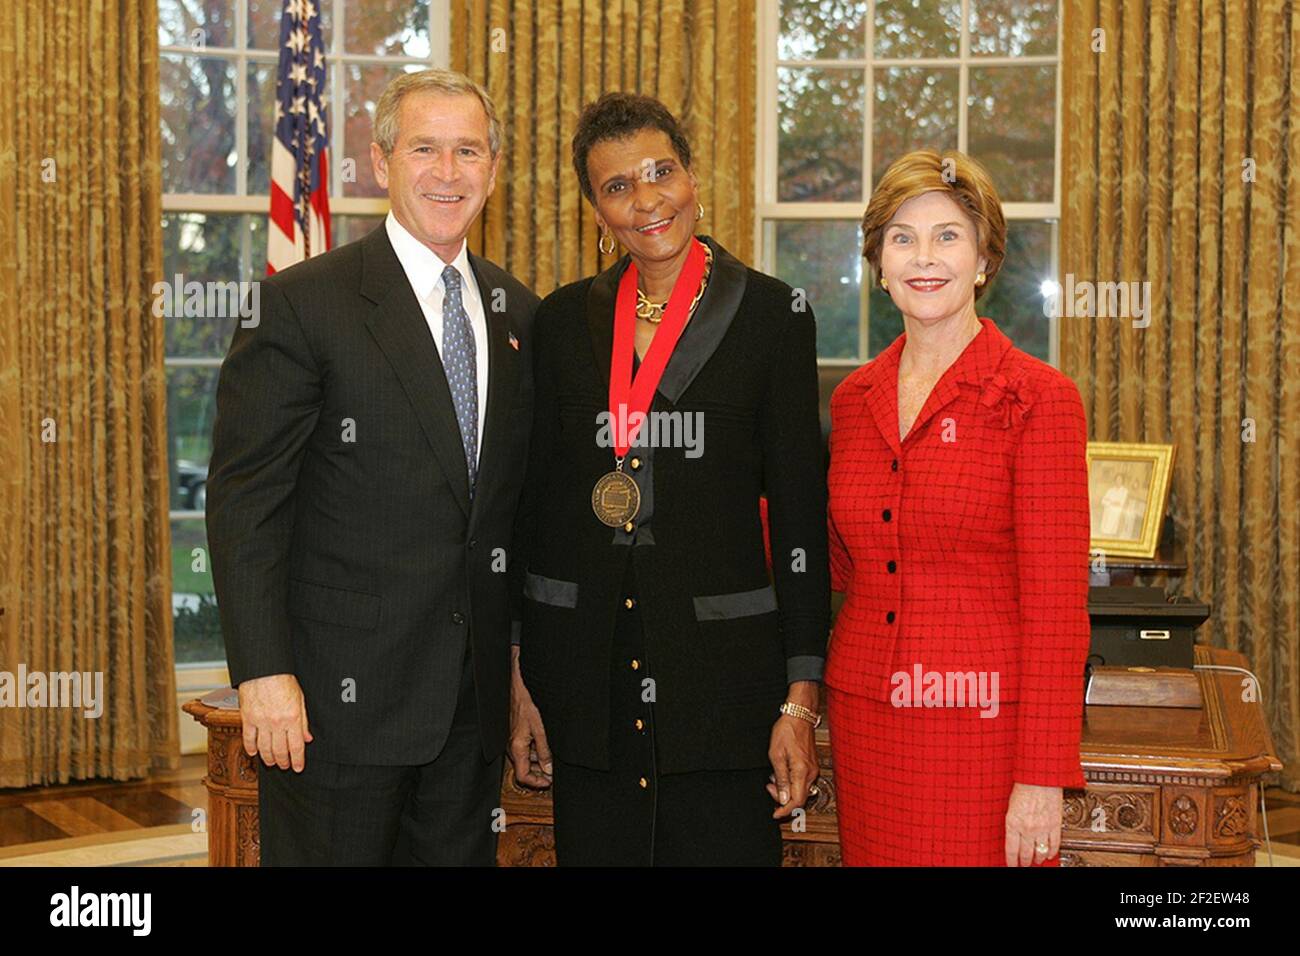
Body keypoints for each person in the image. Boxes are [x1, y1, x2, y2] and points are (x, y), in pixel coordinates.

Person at [206, 69, 539, 865]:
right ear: (381, 159)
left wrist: (521, 679)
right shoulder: (302, 304)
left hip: (468, 717)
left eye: (469, 151)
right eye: (425, 148)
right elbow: (246, 501)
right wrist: (263, 676)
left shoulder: (517, 312)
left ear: (494, 169)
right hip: (335, 712)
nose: (448, 172)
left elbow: (512, 516)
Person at [507, 92, 830, 866]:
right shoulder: (558, 324)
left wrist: (800, 701)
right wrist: (520, 681)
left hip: (723, 686)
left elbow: (798, 521)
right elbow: (532, 513)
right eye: (618, 186)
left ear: (694, 178)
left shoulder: (774, 316)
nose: (647, 198)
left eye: (662, 172)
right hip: (585, 687)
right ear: (595, 210)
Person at [825, 148, 1091, 867]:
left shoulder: (1039, 398)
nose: (924, 257)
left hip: (982, 730)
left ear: (983, 259)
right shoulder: (851, 402)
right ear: (879, 264)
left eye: (948, 235)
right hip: (864, 719)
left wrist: (1040, 775)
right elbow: (844, 563)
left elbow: (1058, 608)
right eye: (902, 238)